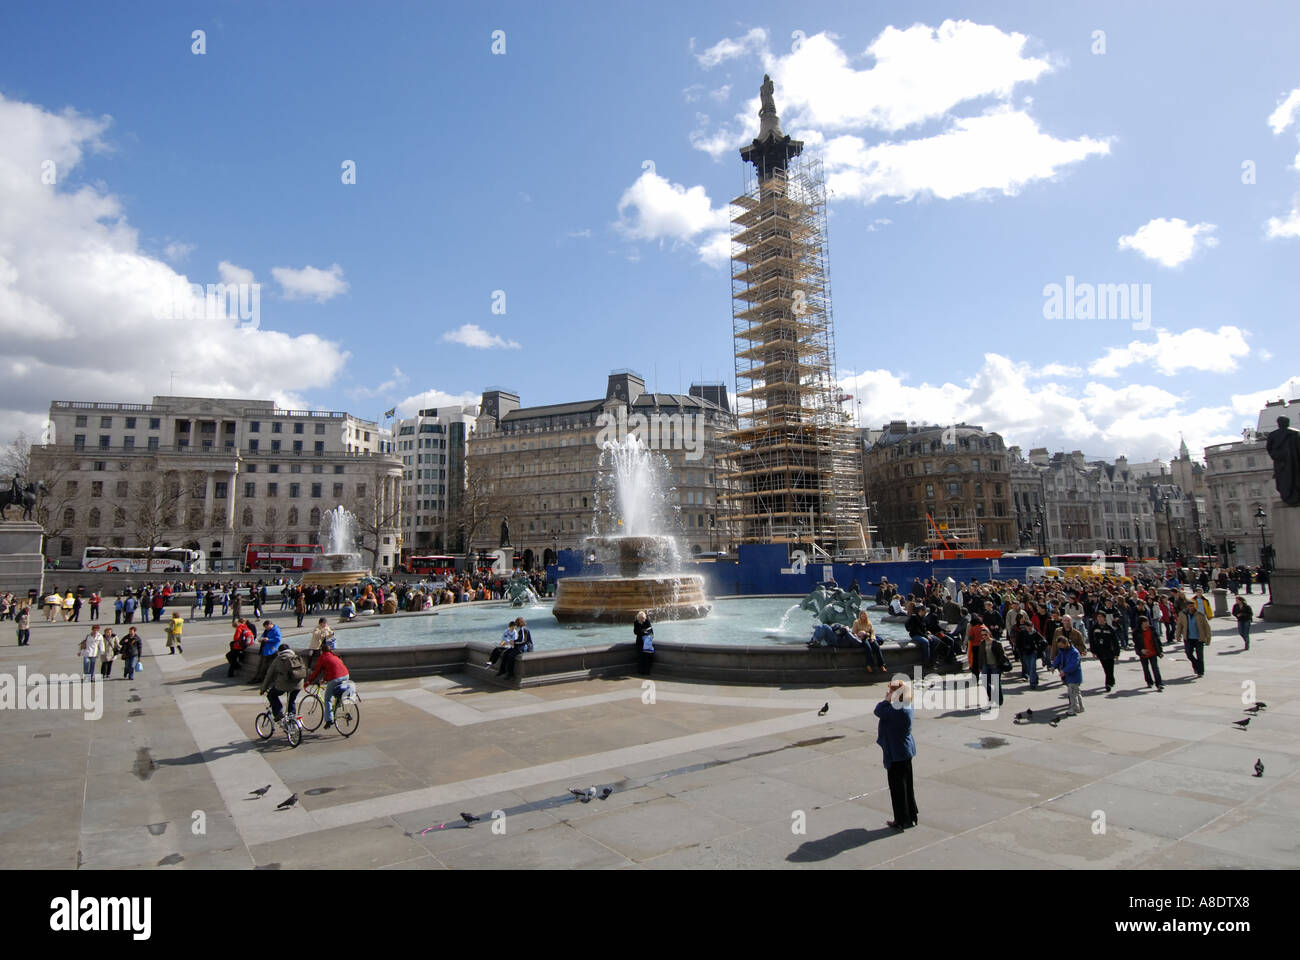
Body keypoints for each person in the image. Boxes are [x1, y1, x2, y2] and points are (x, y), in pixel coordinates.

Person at [874, 677, 917, 830]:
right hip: (905, 750)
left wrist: (886, 700)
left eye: (890, 690)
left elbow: (878, 710)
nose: (887, 693)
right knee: (907, 785)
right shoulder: (906, 705)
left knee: (897, 788)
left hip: (897, 752)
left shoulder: (895, 709)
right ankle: (911, 815)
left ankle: (901, 819)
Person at [306, 639, 353, 727]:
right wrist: (325, 679)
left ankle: (329, 719)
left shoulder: (323, 657)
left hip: (335, 678)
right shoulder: (334, 656)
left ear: (322, 651)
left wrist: (309, 681)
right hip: (346, 675)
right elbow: (331, 668)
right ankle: (339, 702)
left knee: (327, 699)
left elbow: (317, 671)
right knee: (337, 690)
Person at [259, 643, 306, 723]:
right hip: (298, 684)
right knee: (291, 701)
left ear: (279, 651)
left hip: (284, 684)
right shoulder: (296, 657)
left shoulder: (279, 658)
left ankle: (278, 712)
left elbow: (269, 675)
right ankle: (292, 721)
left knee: (271, 695)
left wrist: (263, 688)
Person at [973, 625, 1009, 708]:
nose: (984, 636)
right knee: (985, 683)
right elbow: (980, 656)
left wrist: (999, 665)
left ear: (989, 633)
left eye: (985, 634)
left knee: (997, 684)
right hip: (986, 665)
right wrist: (980, 667)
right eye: (982, 635)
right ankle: (992, 697)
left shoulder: (996, 643)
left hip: (995, 666)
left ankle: (998, 701)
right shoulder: (982, 644)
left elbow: (1002, 655)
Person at [1051, 634, 1084, 715]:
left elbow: (1074, 665)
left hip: (1074, 676)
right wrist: (1054, 666)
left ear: (1066, 643)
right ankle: (1080, 707)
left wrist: (1064, 671)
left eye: (1061, 645)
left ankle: (1074, 708)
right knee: (1076, 692)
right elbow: (1058, 658)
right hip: (1069, 676)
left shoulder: (1074, 652)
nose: (1060, 647)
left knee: (1072, 693)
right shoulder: (1062, 651)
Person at [1176, 601, 1211, 678]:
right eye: (1190, 606)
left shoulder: (1200, 614)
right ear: (1187, 607)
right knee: (1188, 653)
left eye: (1193, 606)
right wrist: (1178, 635)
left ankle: (1200, 671)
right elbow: (1179, 625)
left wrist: (1208, 638)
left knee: (1200, 656)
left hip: (1199, 638)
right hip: (1188, 637)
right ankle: (1196, 665)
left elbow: (1207, 627)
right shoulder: (1183, 614)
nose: (1192, 607)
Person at [1088, 611, 1120, 692]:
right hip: (1100, 651)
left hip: (1109, 650)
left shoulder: (1109, 628)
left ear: (1104, 618)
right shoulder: (1094, 628)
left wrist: (1117, 653)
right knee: (1105, 667)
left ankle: (1109, 682)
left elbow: (1115, 641)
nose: (1099, 618)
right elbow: (1091, 640)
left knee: (1110, 667)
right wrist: (1093, 651)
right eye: (1098, 617)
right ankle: (1109, 682)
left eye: (1101, 617)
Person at [249, 620, 283, 685]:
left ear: (270, 625)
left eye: (266, 627)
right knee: (261, 665)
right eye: (265, 627)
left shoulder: (276, 630)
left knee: (264, 665)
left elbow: (278, 639)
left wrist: (268, 640)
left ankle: (260, 678)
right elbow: (263, 635)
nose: (266, 628)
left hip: (270, 650)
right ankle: (258, 678)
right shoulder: (268, 630)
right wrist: (261, 639)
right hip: (265, 649)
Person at [633, 610, 654, 675]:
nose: (641, 621)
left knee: (647, 657)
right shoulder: (636, 622)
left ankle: (647, 671)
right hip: (639, 642)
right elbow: (635, 632)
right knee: (640, 657)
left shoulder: (647, 621)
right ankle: (641, 671)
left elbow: (651, 633)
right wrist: (643, 631)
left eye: (642, 619)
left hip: (646, 642)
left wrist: (645, 632)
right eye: (640, 619)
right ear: (638, 618)